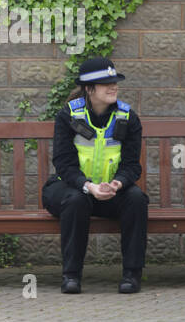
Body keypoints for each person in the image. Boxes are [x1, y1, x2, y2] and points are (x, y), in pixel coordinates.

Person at [41, 57, 148, 294]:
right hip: (71, 188)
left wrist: (117, 184)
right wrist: (88, 186)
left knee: (136, 199)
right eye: (106, 83)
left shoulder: (128, 117)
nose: (114, 87)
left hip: (110, 191)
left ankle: (131, 275)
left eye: (115, 82)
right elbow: (64, 163)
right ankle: (71, 276)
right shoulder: (68, 115)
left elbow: (132, 165)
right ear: (89, 89)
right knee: (76, 200)